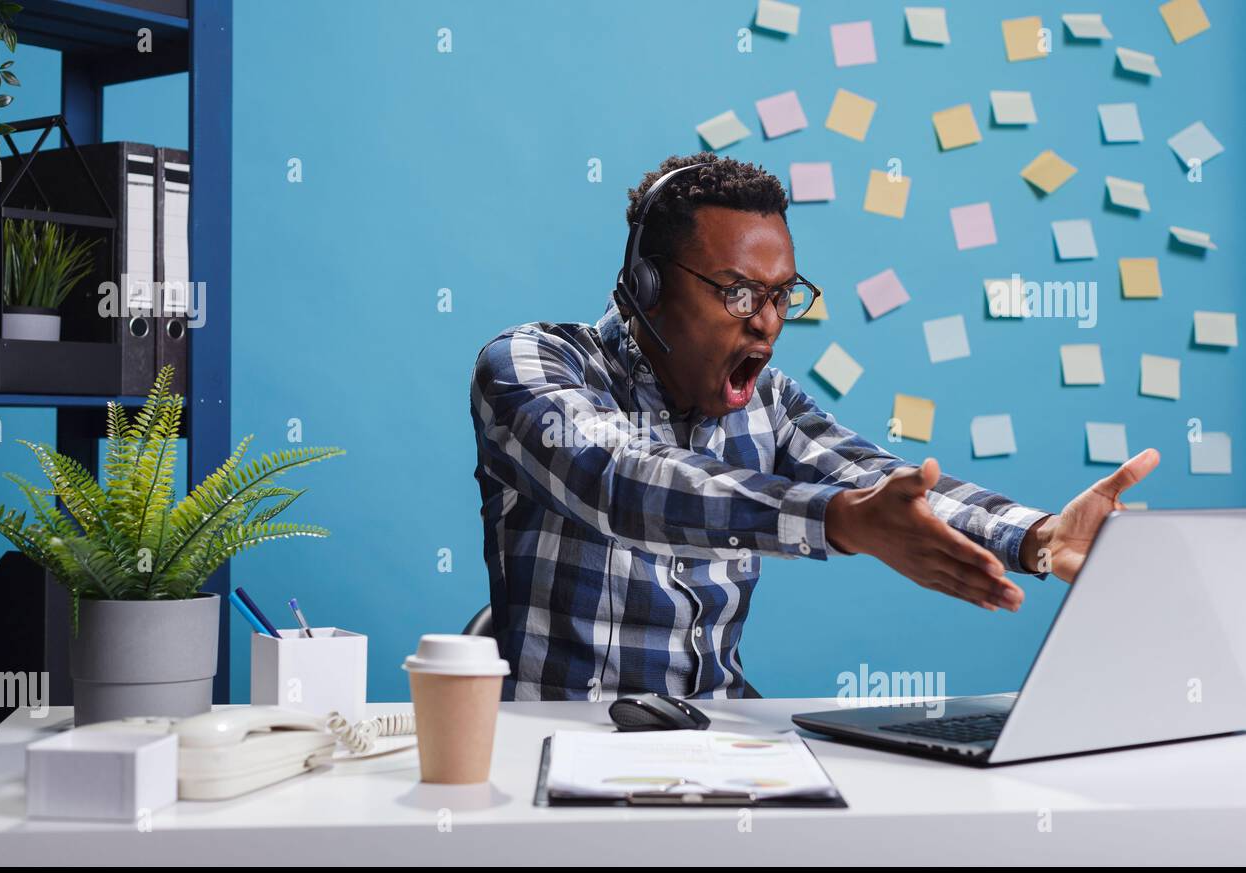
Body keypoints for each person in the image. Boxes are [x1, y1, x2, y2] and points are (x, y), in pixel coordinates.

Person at [470, 152, 1157, 702]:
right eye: (738, 292)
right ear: (647, 285)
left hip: (714, 736)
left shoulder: (770, 403)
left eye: (781, 296)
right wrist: (837, 521)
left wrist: (1037, 538)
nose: (765, 321)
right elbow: (620, 480)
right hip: (555, 736)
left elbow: (882, 485)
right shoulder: (530, 366)